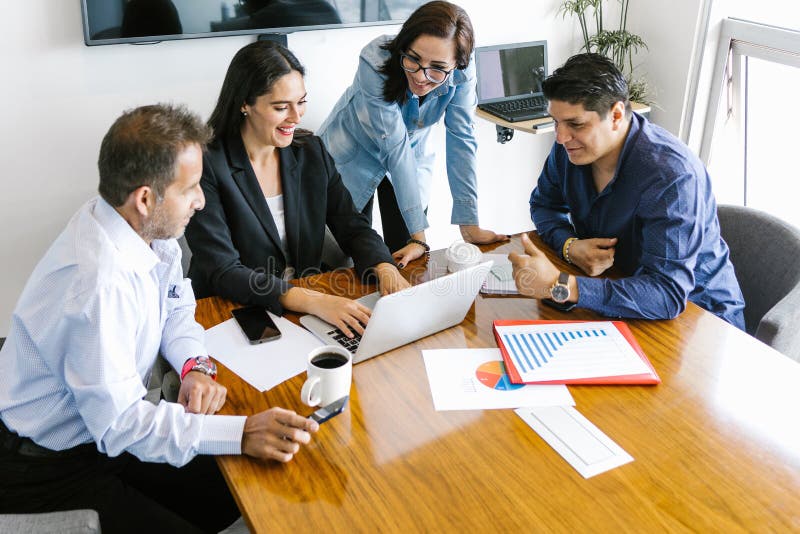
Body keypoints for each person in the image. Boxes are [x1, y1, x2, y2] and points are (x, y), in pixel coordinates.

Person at [0, 104, 319, 533]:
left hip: (107, 425)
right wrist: (240, 432)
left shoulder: (139, 228)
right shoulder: (98, 286)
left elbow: (176, 305)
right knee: (230, 466)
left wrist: (194, 365)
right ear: (146, 198)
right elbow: (120, 425)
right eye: (190, 189)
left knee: (238, 492)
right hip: (51, 463)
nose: (201, 200)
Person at [185, 41, 408, 339]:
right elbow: (223, 270)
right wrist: (312, 301)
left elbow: (352, 225)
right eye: (281, 107)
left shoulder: (310, 152)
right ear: (244, 104)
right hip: (233, 308)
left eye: (301, 102)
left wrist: (385, 267)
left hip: (304, 303)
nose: (296, 116)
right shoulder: (205, 165)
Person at [510, 53, 745, 329]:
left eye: (575, 124)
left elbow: (667, 294)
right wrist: (569, 247)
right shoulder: (570, 150)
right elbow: (544, 205)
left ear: (616, 115)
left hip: (700, 320)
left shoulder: (673, 176)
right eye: (556, 122)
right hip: (620, 292)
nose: (561, 137)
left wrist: (562, 285)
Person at [318, 0, 508, 268]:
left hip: (412, 155)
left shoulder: (464, 72)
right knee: (342, 256)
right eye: (414, 59)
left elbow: (461, 138)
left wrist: (469, 224)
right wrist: (420, 237)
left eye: (438, 68)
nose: (421, 77)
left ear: (457, 64)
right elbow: (394, 146)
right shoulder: (374, 60)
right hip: (353, 153)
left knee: (408, 256)